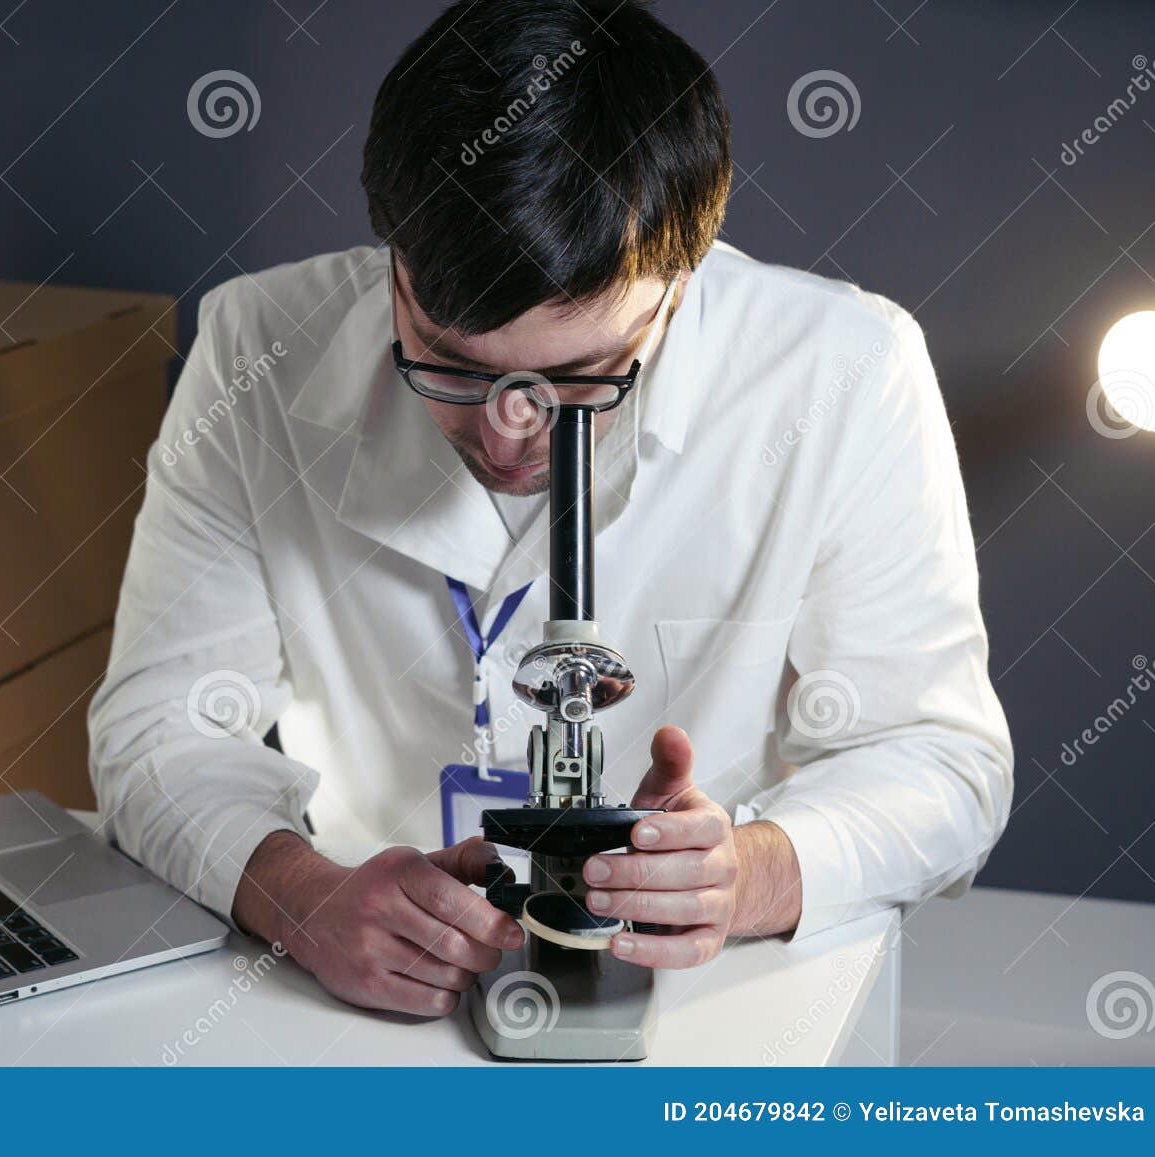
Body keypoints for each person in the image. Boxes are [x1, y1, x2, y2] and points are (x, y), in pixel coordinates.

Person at [88, 0, 1013, 1018]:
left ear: (679, 278)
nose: (507, 434)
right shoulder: (256, 346)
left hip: (709, 992)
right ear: (391, 254)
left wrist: (744, 870)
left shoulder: (843, 368)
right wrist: (299, 895)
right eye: (448, 364)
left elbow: (941, 761)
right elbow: (158, 726)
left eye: (582, 377)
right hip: (361, 983)